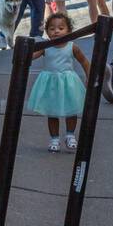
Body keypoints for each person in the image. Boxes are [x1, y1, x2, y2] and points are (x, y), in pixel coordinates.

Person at [28, 12, 89, 152]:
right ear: (47, 32)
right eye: (52, 28)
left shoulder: (72, 47)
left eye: (61, 28)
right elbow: (32, 56)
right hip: (51, 84)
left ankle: (70, 135)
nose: (56, 31)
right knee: (52, 112)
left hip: (69, 83)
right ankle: (54, 138)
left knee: (71, 109)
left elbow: (84, 62)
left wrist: (89, 76)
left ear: (69, 31)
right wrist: (24, 51)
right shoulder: (46, 46)